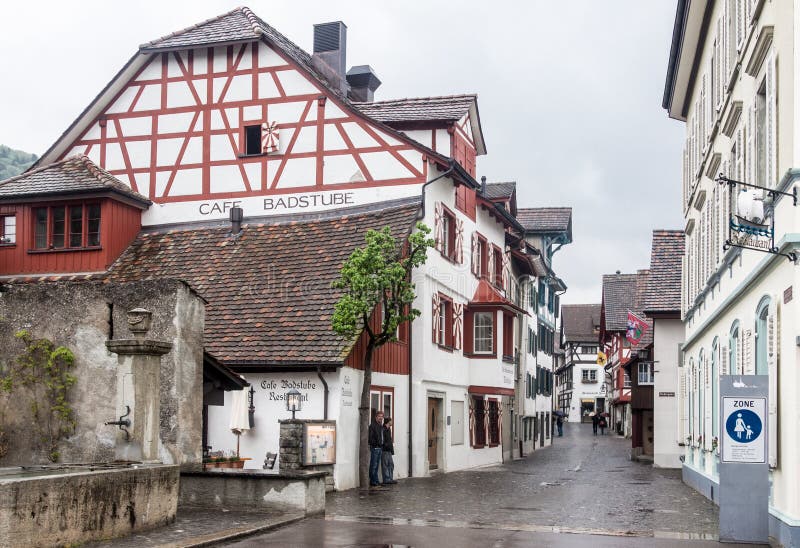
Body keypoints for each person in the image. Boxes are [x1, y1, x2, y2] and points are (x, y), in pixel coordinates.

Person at [368, 411, 385, 487]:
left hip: (379, 448)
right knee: (373, 465)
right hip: (375, 448)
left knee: (377, 465)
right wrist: (376, 444)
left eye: (382, 416)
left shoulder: (380, 426)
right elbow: (371, 438)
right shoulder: (373, 425)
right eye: (379, 416)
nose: (381, 418)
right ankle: (373, 481)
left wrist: (381, 445)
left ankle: (376, 480)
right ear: (376, 417)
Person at [381, 417, 396, 484]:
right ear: (388, 422)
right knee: (385, 465)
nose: (392, 422)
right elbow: (383, 440)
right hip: (384, 450)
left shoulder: (388, 429)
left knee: (391, 464)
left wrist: (391, 449)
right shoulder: (383, 429)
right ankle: (386, 479)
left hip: (389, 450)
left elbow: (389, 440)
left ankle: (390, 478)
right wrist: (386, 445)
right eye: (391, 421)